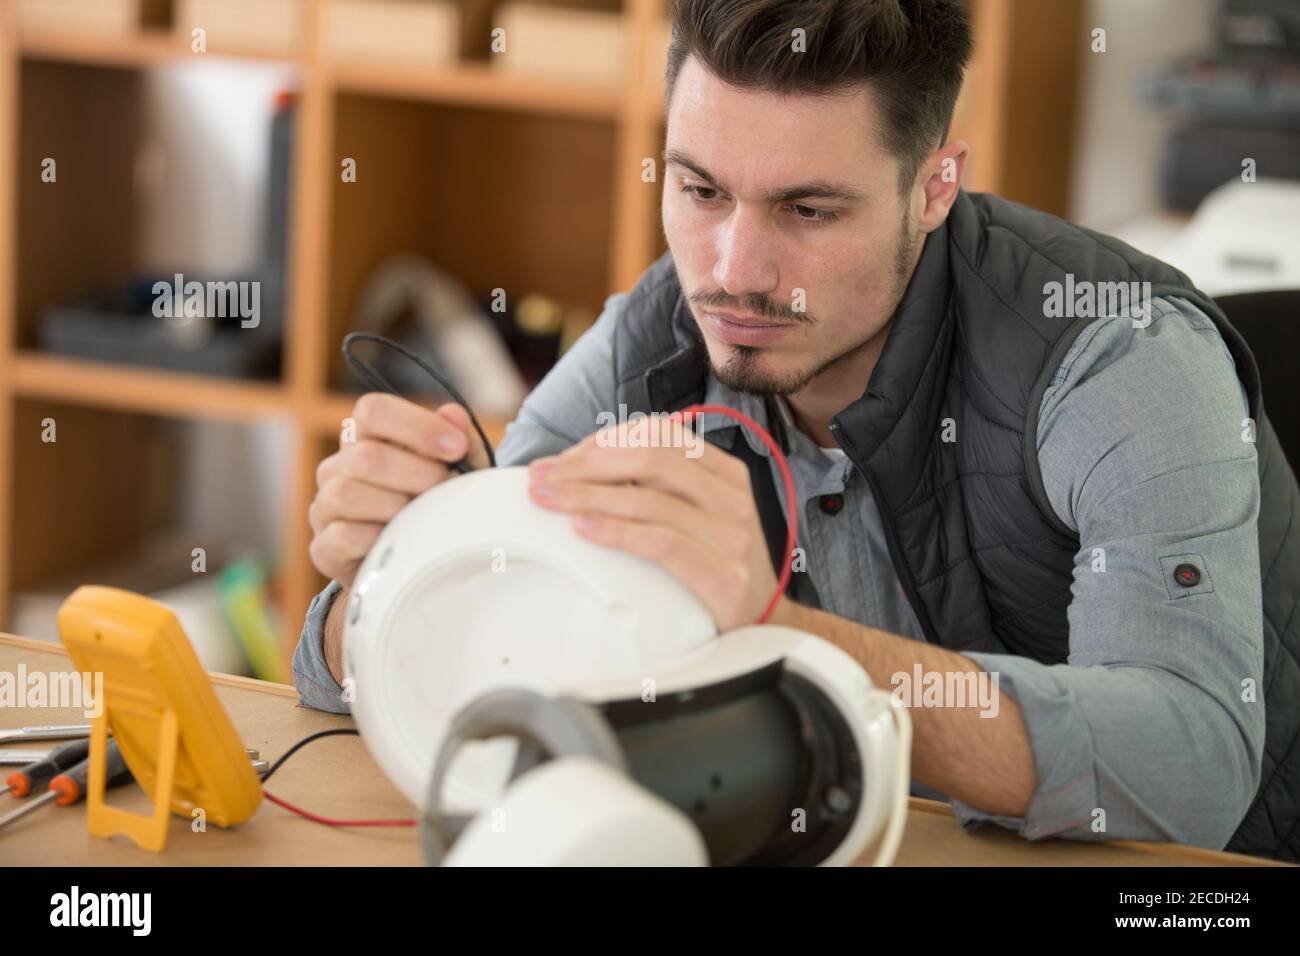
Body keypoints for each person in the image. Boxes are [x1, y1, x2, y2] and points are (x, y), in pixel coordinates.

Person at [294, 0, 1300, 860]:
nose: (735, 270)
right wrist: (397, 568)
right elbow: (350, 670)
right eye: (699, 189)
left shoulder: (1120, 357)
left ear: (934, 186)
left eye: (808, 210)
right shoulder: (661, 330)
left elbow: (1192, 765)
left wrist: (768, 629)